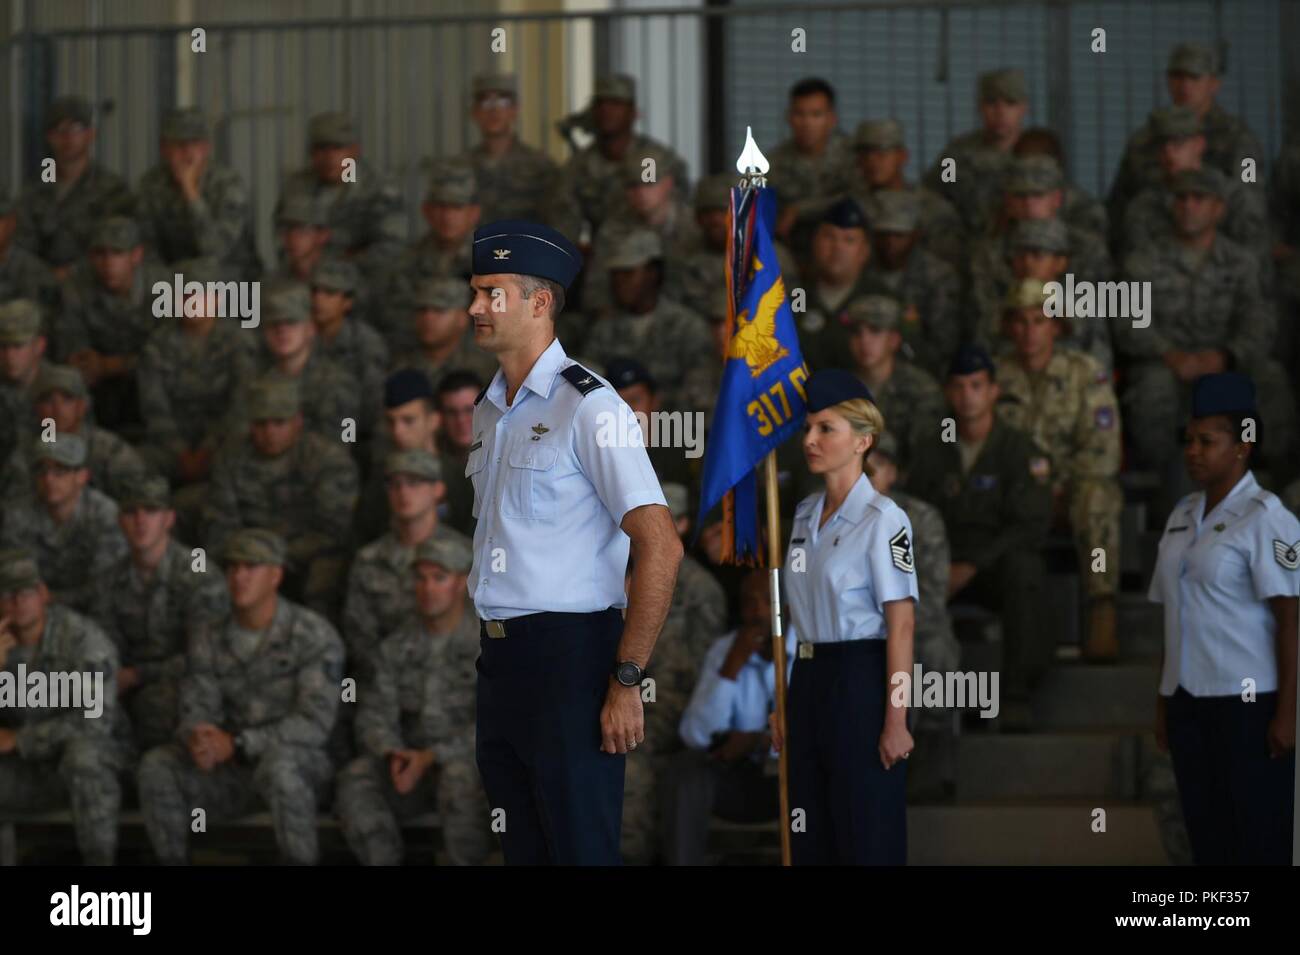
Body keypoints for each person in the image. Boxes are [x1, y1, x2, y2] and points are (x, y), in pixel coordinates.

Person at [466, 218, 682, 864]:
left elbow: (661, 546)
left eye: (491, 292)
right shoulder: (489, 410)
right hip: (501, 662)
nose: (475, 306)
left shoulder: (590, 406)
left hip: (572, 660)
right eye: (474, 291)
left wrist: (626, 677)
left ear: (539, 302)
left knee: (581, 850)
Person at [769, 369, 917, 865]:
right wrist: (785, 700)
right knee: (811, 827)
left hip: (860, 678)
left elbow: (901, 625)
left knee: (864, 830)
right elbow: (796, 615)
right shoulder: (804, 515)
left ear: (863, 440)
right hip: (808, 675)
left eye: (825, 429)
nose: (810, 440)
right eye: (808, 428)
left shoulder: (883, 519)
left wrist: (896, 718)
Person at [1149, 372, 1297, 865]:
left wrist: (1288, 713)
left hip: (1249, 705)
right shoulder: (1181, 515)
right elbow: (1174, 616)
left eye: (1207, 441)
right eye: (1189, 440)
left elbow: (1291, 617)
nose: (1193, 451)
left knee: (1258, 834)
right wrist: (1164, 699)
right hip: (1191, 701)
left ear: (1243, 445)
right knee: (1207, 835)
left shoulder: (1268, 517)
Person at [136, 528, 344, 866]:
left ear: (275, 575)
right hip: (229, 772)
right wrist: (199, 736)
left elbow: (313, 725)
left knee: (280, 769)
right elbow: (197, 701)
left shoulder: (313, 635)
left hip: (300, 769)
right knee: (158, 766)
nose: (239, 577)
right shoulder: (209, 633)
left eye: (251, 567)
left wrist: (240, 743)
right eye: (232, 568)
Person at [906, 345, 1051, 729]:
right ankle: (916, 711)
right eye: (958, 386)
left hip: (991, 566)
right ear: (947, 392)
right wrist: (939, 568)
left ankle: (1017, 694)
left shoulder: (1019, 449)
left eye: (976, 385)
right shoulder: (932, 449)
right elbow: (912, 513)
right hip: (938, 565)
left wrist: (973, 565)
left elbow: (1031, 525)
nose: (967, 395)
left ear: (993, 391)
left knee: (1026, 571)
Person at [336, 534, 493, 866]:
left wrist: (432, 756)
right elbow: (374, 716)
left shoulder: (488, 644)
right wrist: (393, 753)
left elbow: (495, 724)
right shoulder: (395, 647)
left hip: (471, 769)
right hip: (409, 770)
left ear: (461, 582)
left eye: (439, 577)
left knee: (458, 778)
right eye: (420, 578)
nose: (427, 588)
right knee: (357, 777)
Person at [995, 278, 1123, 660]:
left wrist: (1057, 488)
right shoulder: (993, 376)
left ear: (1057, 325)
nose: (1029, 331)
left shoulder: (1086, 372)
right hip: (1014, 493)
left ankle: (1102, 604)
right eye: (1020, 321)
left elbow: (1102, 449)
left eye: (1040, 320)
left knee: (1098, 498)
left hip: (1069, 493)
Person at [0, 551, 129, 865]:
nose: (16, 601)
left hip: (95, 764)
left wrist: (20, 740)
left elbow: (95, 722)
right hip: (26, 770)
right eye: (6, 593)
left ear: (43, 594)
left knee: (85, 759)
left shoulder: (83, 640)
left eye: (26, 592)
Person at [662, 569, 790, 866]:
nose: (756, 611)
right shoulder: (727, 648)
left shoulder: (807, 650)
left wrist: (759, 742)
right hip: (734, 779)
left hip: (790, 780)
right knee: (686, 770)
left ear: (787, 608)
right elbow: (695, 735)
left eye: (766, 601)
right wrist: (732, 666)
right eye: (748, 602)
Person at [93, 475, 227, 751]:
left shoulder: (198, 573)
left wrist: (140, 674)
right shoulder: (110, 579)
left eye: (151, 511)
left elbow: (204, 659)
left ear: (169, 519)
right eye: (131, 512)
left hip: (186, 682)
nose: (140, 521)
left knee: (159, 705)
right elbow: (105, 648)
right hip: (126, 683)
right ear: (120, 521)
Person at [0, 433, 127, 616]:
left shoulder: (105, 515)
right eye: (42, 471)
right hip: (30, 610)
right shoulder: (19, 514)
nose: (49, 480)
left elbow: (105, 587)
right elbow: (12, 577)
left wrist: (54, 598)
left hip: (92, 612)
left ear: (82, 476)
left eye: (60, 471)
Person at [14, 95, 134, 279]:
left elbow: (118, 247)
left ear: (91, 134)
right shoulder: (36, 187)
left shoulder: (111, 189)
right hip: (39, 284)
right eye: (59, 130)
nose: (67, 137)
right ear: (49, 137)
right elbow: (21, 244)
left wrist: (73, 273)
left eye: (76, 129)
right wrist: (44, 275)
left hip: (92, 284)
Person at [135, 107, 261, 280]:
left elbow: (216, 248)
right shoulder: (151, 184)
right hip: (173, 280)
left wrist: (191, 193)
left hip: (230, 283)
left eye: (194, 144)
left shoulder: (228, 184)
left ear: (206, 148)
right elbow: (147, 248)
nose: (187, 153)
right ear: (164, 149)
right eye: (179, 145)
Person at [274, 111, 405, 276]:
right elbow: (282, 238)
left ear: (354, 151)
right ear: (311, 153)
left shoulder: (378, 188)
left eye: (337, 148)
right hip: (306, 277)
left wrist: (337, 266)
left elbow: (390, 249)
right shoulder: (297, 186)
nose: (329, 157)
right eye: (321, 148)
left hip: (363, 281)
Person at [458, 73, 558, 224]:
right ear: (474, 112)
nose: (494, 111)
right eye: (486, 103)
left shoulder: (540, 166)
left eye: (503, 102)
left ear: (515, 110)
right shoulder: (460, 167)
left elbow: (557, 221)